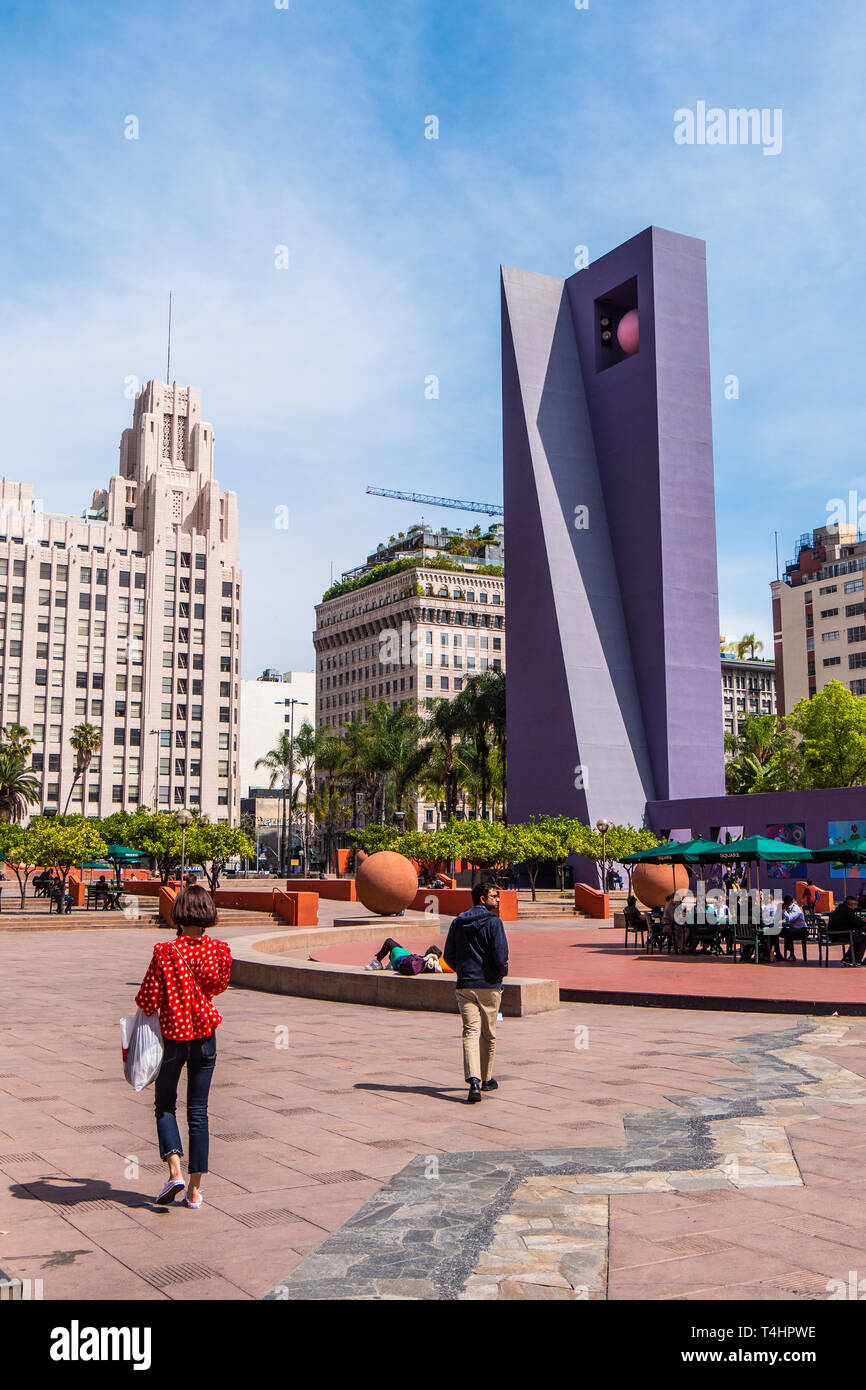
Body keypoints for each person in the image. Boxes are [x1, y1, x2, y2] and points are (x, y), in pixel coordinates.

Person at [135, 885, 232, 1209]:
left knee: (165, 1105)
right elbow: (218, 986)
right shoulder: (218, 950)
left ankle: (174, 1171)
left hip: (174, 1038)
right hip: (205, 1037)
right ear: (208, 914)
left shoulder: (165, 951)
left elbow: (148, 999)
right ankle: (193, 1190)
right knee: (199, 1112)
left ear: (178, 914)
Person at [443, 881, 509, 1103]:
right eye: (494, 896)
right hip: (489, 985)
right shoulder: (494, 923)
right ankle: (487, 1078)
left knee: (470, 1032)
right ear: (482, 899)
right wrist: (501, 972)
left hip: (465, 985)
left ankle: (473, 1081)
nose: (498, 899)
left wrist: (463, 971)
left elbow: (449, 955)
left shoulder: (457, 922)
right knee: (488, 1034)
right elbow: (501, 955)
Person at [365, 940, 454, 975]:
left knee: (389, 941)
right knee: (394, 945)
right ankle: (386, 962)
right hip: (406, 956)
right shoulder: (424, 961)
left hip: (402, 958)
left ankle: (377, 962)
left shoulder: (424, 960)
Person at [827, 896, 866, 966]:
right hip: (840, 935)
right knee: (862, 938)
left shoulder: (838, 910)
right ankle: (856, 960)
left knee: (858, 937)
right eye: (855, 904)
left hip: (833, 935)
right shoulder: (848, 911)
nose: (855, 906)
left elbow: (853, 922)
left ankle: (848, 958)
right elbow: (858, 924)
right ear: (851, 905)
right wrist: (863, 921)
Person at [779, 894, 808, 961]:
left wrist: (783, 910)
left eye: (787, 902)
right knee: (777, 932)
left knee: (789, 932)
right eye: (784, 902)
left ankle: (792, 954)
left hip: (801, 930)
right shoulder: (787, 908)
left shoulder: (795, 908)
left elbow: (789, 919)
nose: (785, 903)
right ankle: (777, 953)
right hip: (793, 929)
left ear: (791, 902)